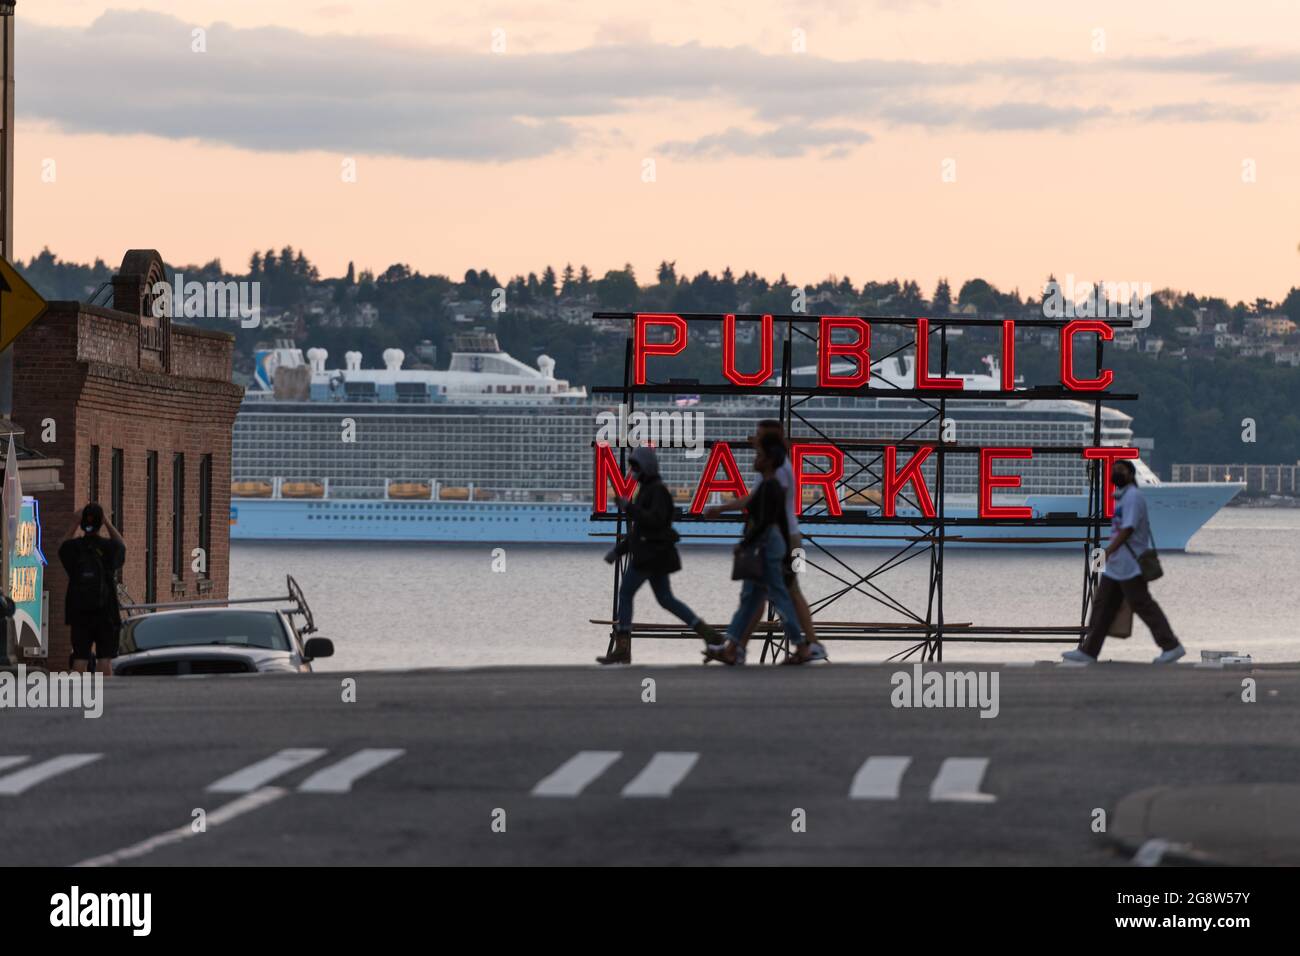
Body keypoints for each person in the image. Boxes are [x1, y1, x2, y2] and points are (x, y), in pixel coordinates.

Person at [701, 419, 821, 660]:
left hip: (782, 539)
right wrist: (722, 509)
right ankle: (736, 647)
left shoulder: (779, 472)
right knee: (756, 596)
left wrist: (748, 542)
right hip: (777, 538)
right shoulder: (769, 474)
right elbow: (756, 501)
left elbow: (771, 514)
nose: (755, 438)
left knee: (786, 593)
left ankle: (809, 644)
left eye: (760, 434)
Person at [598, 446, 722, 665]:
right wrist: (618, 550)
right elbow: (641, 529)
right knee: (666, 599)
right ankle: (709, 634)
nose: (633, 472)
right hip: (656, 554)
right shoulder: (650, 489)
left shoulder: (656, 491)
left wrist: (629, 508)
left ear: (646, 467)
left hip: (649, 554)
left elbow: (653, 521)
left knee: (626, 593)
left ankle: (623, 648)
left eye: (636, 467)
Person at [1063, 460, 1185, 664]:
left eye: (1120, 470)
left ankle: (1171, 646)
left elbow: (1128, 528)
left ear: (1130, 473)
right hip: (1117, 565)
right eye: (1114, 470)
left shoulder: (1133, 497)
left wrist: (1108, 551)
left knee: (1143, 605)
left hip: (1130, 564)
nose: (1115, 473)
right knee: (1102, 606)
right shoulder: (1122, 497)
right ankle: (1088, 652)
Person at [58, 503, 126, 675]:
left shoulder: (74, 548)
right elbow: (121, 545)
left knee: (80, 658)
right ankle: (105, 692)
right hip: (106, 612)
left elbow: (61, 548)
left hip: (80, 612)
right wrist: (107, 522)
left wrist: (74, 523)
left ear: (82, 524)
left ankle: (78, 692)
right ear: (100, 522)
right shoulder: (108, 547)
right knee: (105, 659)